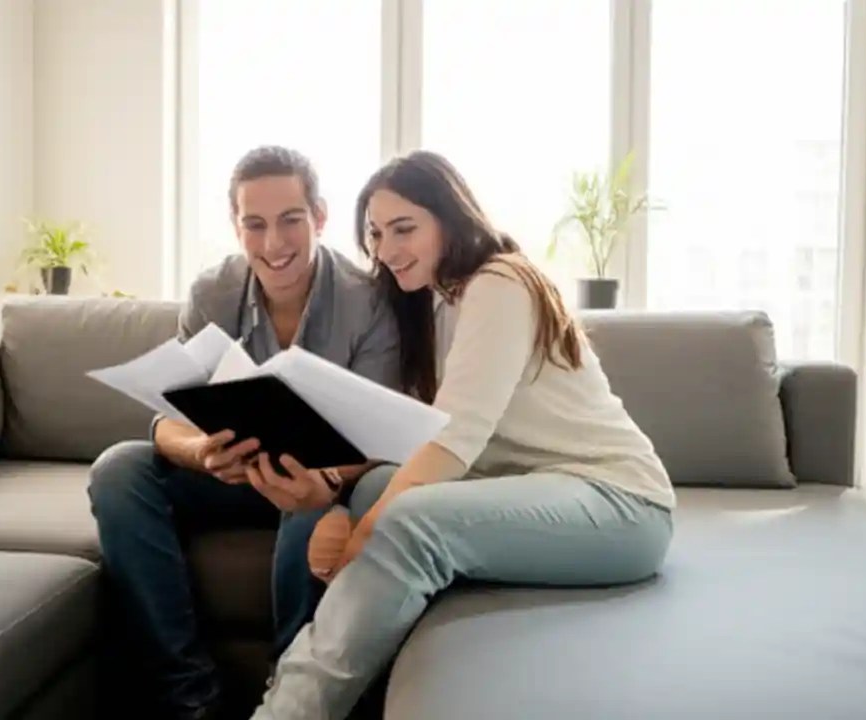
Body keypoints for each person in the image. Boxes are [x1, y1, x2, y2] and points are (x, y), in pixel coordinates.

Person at [252, 150, 678, 720]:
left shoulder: (499, 282)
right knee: (380, 485)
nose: (386, 249)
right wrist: (335, 496)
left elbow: (454, 443)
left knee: (407, 519)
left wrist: (362, 537)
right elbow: (408, 436)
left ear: (450, 219)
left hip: (621, 501)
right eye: (376, 234)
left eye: (405, 229)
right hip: (539, 485)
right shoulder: (433, 301)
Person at [88, 146, 401, 720]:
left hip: (321, 479)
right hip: (230, 474)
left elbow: (382, 434)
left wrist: (324, 478)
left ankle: (290, 701)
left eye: (290, 221)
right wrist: (201, 452)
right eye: (254, 225)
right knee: (118, 468)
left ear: (320, 218)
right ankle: (188, 697)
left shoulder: (369, 299)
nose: (273, 244)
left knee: (309, 508)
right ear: (237, 226)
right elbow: (167, 419)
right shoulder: (211, 293)